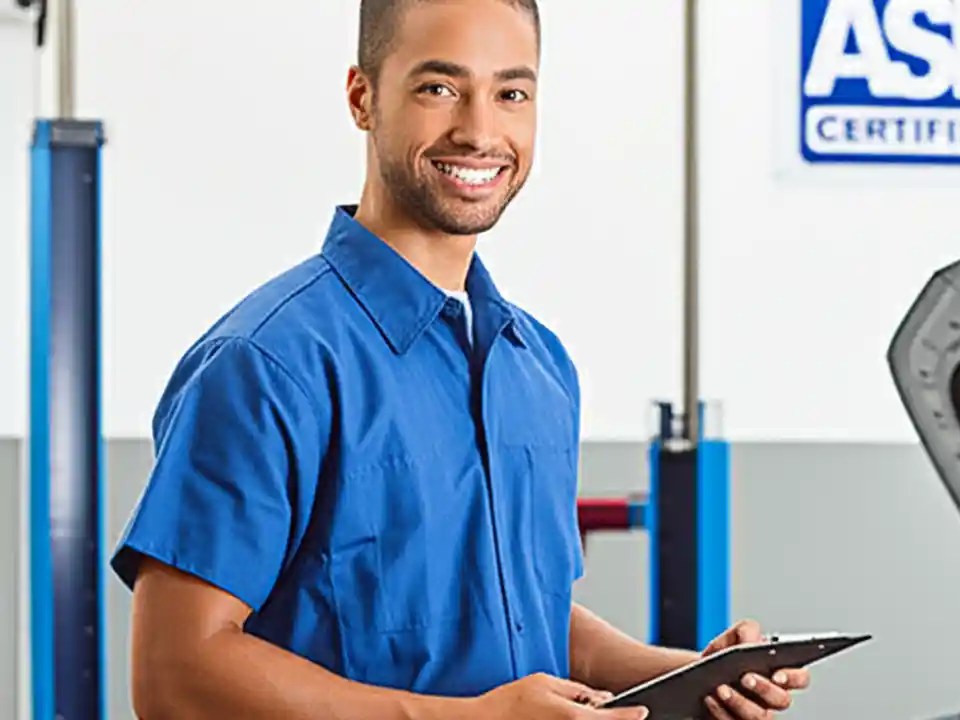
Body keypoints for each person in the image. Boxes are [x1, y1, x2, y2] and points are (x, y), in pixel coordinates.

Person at [112, 1, 814, 718]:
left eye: (511, 93)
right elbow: (175, 673)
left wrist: (694, 674)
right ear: (362, 98)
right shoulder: (264, 366)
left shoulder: (537, 366)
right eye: (439, 88)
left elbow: (525, 618)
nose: (479, 131)